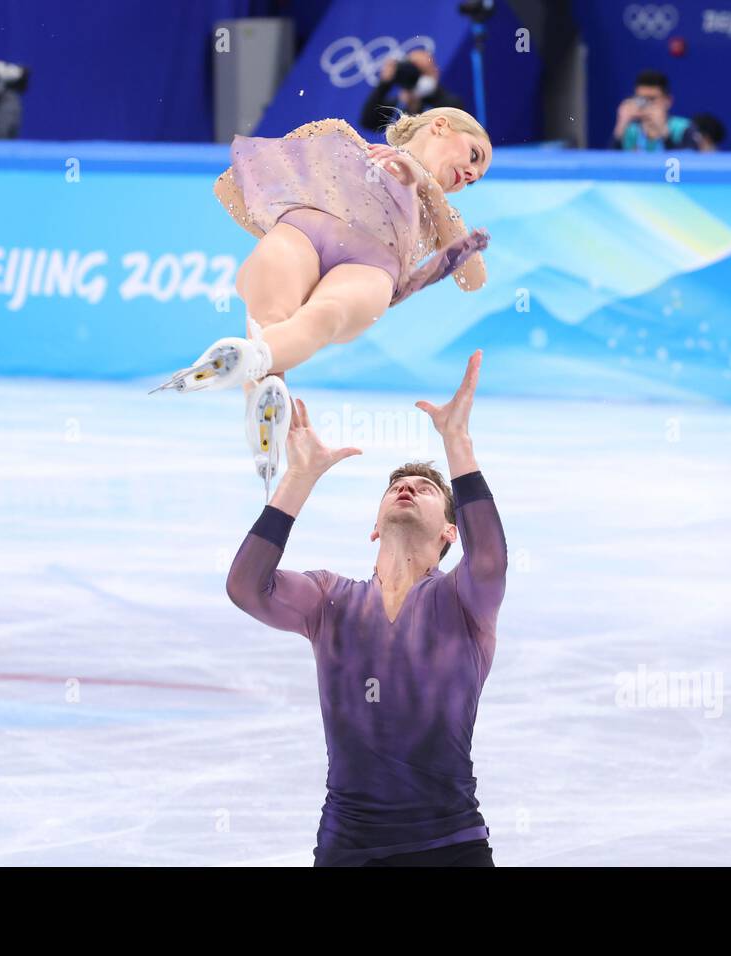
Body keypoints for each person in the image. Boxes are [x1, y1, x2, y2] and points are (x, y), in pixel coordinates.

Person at [225, 351, 506, 867]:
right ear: (375, 526)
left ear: (451, 532)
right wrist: (299, 479)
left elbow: (489, 559)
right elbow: (246, 587)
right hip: (348, 849)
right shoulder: (330, 600)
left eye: (424, 490)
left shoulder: (463, 599)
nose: (406, 489)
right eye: (397, 487)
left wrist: (458, 444)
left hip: (451, 845)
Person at [155, 108, 491, 491]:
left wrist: (427, 187)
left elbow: (472, 278)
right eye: (474, 156)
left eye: (475, 180)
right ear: (441, 125)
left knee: (323, 313)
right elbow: (231, 187)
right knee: (271, 301)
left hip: (368, 268)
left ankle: (251, 362)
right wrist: (279, 225)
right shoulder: (340, 137)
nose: (470, 175)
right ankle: (260, 399)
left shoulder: (438, 214)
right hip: (302, 232)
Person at [360, 49, 465, 134]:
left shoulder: (449, 104)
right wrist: (385, 84)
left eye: (422, 72)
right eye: (414, 73)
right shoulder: (398, 104)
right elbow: (368, 122)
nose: (416, 78)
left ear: (435, 73)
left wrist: (416, 107)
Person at [611, 69, 691, 151]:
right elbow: (609, 161)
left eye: (652, 99)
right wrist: (620, 127)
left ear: (668, 101)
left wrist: (664, 132)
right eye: (641, 99)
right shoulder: (629, 131)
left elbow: (684, 162)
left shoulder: (684, 128)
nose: (646, 105)